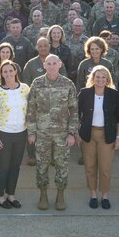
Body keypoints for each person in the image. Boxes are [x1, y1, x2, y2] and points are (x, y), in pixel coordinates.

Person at [25, 54, 79, 211]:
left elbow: (74, 110)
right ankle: (43, 194)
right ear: (44, 65)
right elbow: (31, 109)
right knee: (42, 165)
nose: (51, 66)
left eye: (54, 63)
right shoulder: (37, 83)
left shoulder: (68, 84)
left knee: (62, 165)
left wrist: (71, 133)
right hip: (42, 133)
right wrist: (31, 132)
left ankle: (60, 195)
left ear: (60, 64)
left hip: (62, 134)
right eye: (48, 63)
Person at [77, 64, 119, 209]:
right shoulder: (84, 93)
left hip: (107, 136)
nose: (100, 79)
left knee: (105, 168)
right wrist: (77, 134)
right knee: (90, 167)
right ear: (93, 78)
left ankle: (104, 196)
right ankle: (92, 194)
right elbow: (76, 115)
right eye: (98, 77)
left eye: (104, 77)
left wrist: (118, 138)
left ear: (108, 79)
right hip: (88, 135)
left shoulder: (114, 94)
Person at [0, 60, 29, 209]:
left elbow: (31, 111)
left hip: (20, 133)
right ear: (1, 74)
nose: (8, 74)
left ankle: (11, 195)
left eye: (11, 70)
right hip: (3, 133)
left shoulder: (24, 89)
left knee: (15, 167)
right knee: (2, 167)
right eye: (5, 71)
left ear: (16, 71)